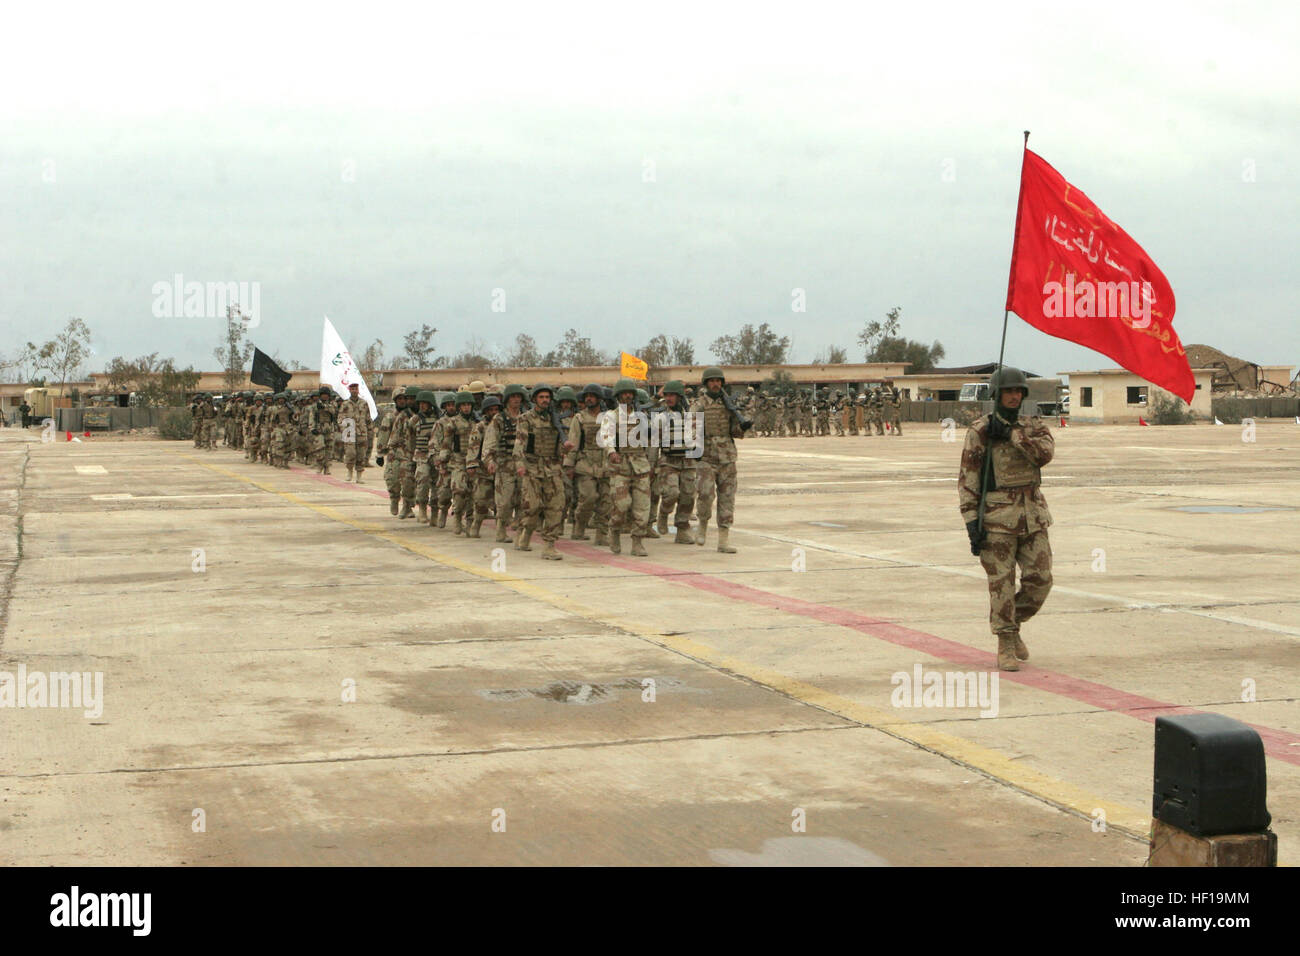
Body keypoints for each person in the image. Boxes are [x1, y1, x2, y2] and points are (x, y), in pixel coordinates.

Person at [959, 366, 1055, 672]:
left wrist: (1014, 435)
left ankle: (1012, 626)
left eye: (1018, 391)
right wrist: (972, 523)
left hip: (1033, 516)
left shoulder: (1033, 426)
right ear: (996, 394)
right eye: (1007, 391)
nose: (1013, 396)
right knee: (1001, 584)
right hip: (997, 519)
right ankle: (1005, 643)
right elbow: (968, 479)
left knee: (1040, 580)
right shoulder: (980, 432)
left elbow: (1043, 455)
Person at [692, 367, 747, 553]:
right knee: (705, 494)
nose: (716, 384)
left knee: (727, 498)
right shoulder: (699, 404)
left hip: (727, 457)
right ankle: (702, 526)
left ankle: (723, 540)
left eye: (718, 381)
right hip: (706, 456)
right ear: (706, 383)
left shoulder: (729, 404)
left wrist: (742, 423)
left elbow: (735, 433)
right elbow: (691, 430)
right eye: (712, 381)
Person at [513, 383, 566, 558]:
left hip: (552, 468)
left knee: (556, 505)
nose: (545, 400)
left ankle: (549, 545)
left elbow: (560, 444)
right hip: (532, 467)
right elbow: (520, 443)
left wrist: (566, 448)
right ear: (535, 399)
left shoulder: (555, 419)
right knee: (533, 506)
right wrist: (520, 464)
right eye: (541, 397)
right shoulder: (525, 419)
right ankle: (526, 531)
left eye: (547, 397)